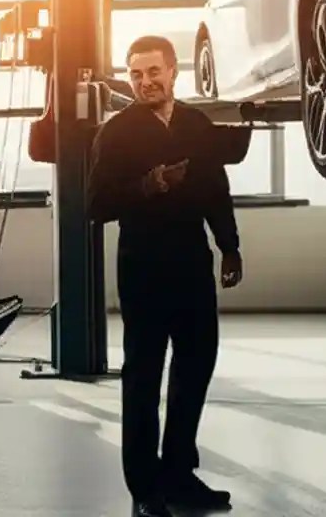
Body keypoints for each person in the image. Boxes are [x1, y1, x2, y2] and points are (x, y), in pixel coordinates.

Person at [87, 35, 243, 517]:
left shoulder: (197, 125)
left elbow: (218, 190)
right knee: (143, 376)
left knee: (195, 367)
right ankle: (144, 486)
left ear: (174, 72)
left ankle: (179, 474)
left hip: (192, 262)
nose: (144, 82)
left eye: (153, 72)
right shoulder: (114, 134)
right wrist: (149, 184)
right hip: (143, 266)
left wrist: (229, 246)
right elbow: (97, 206)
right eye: (135, 74)